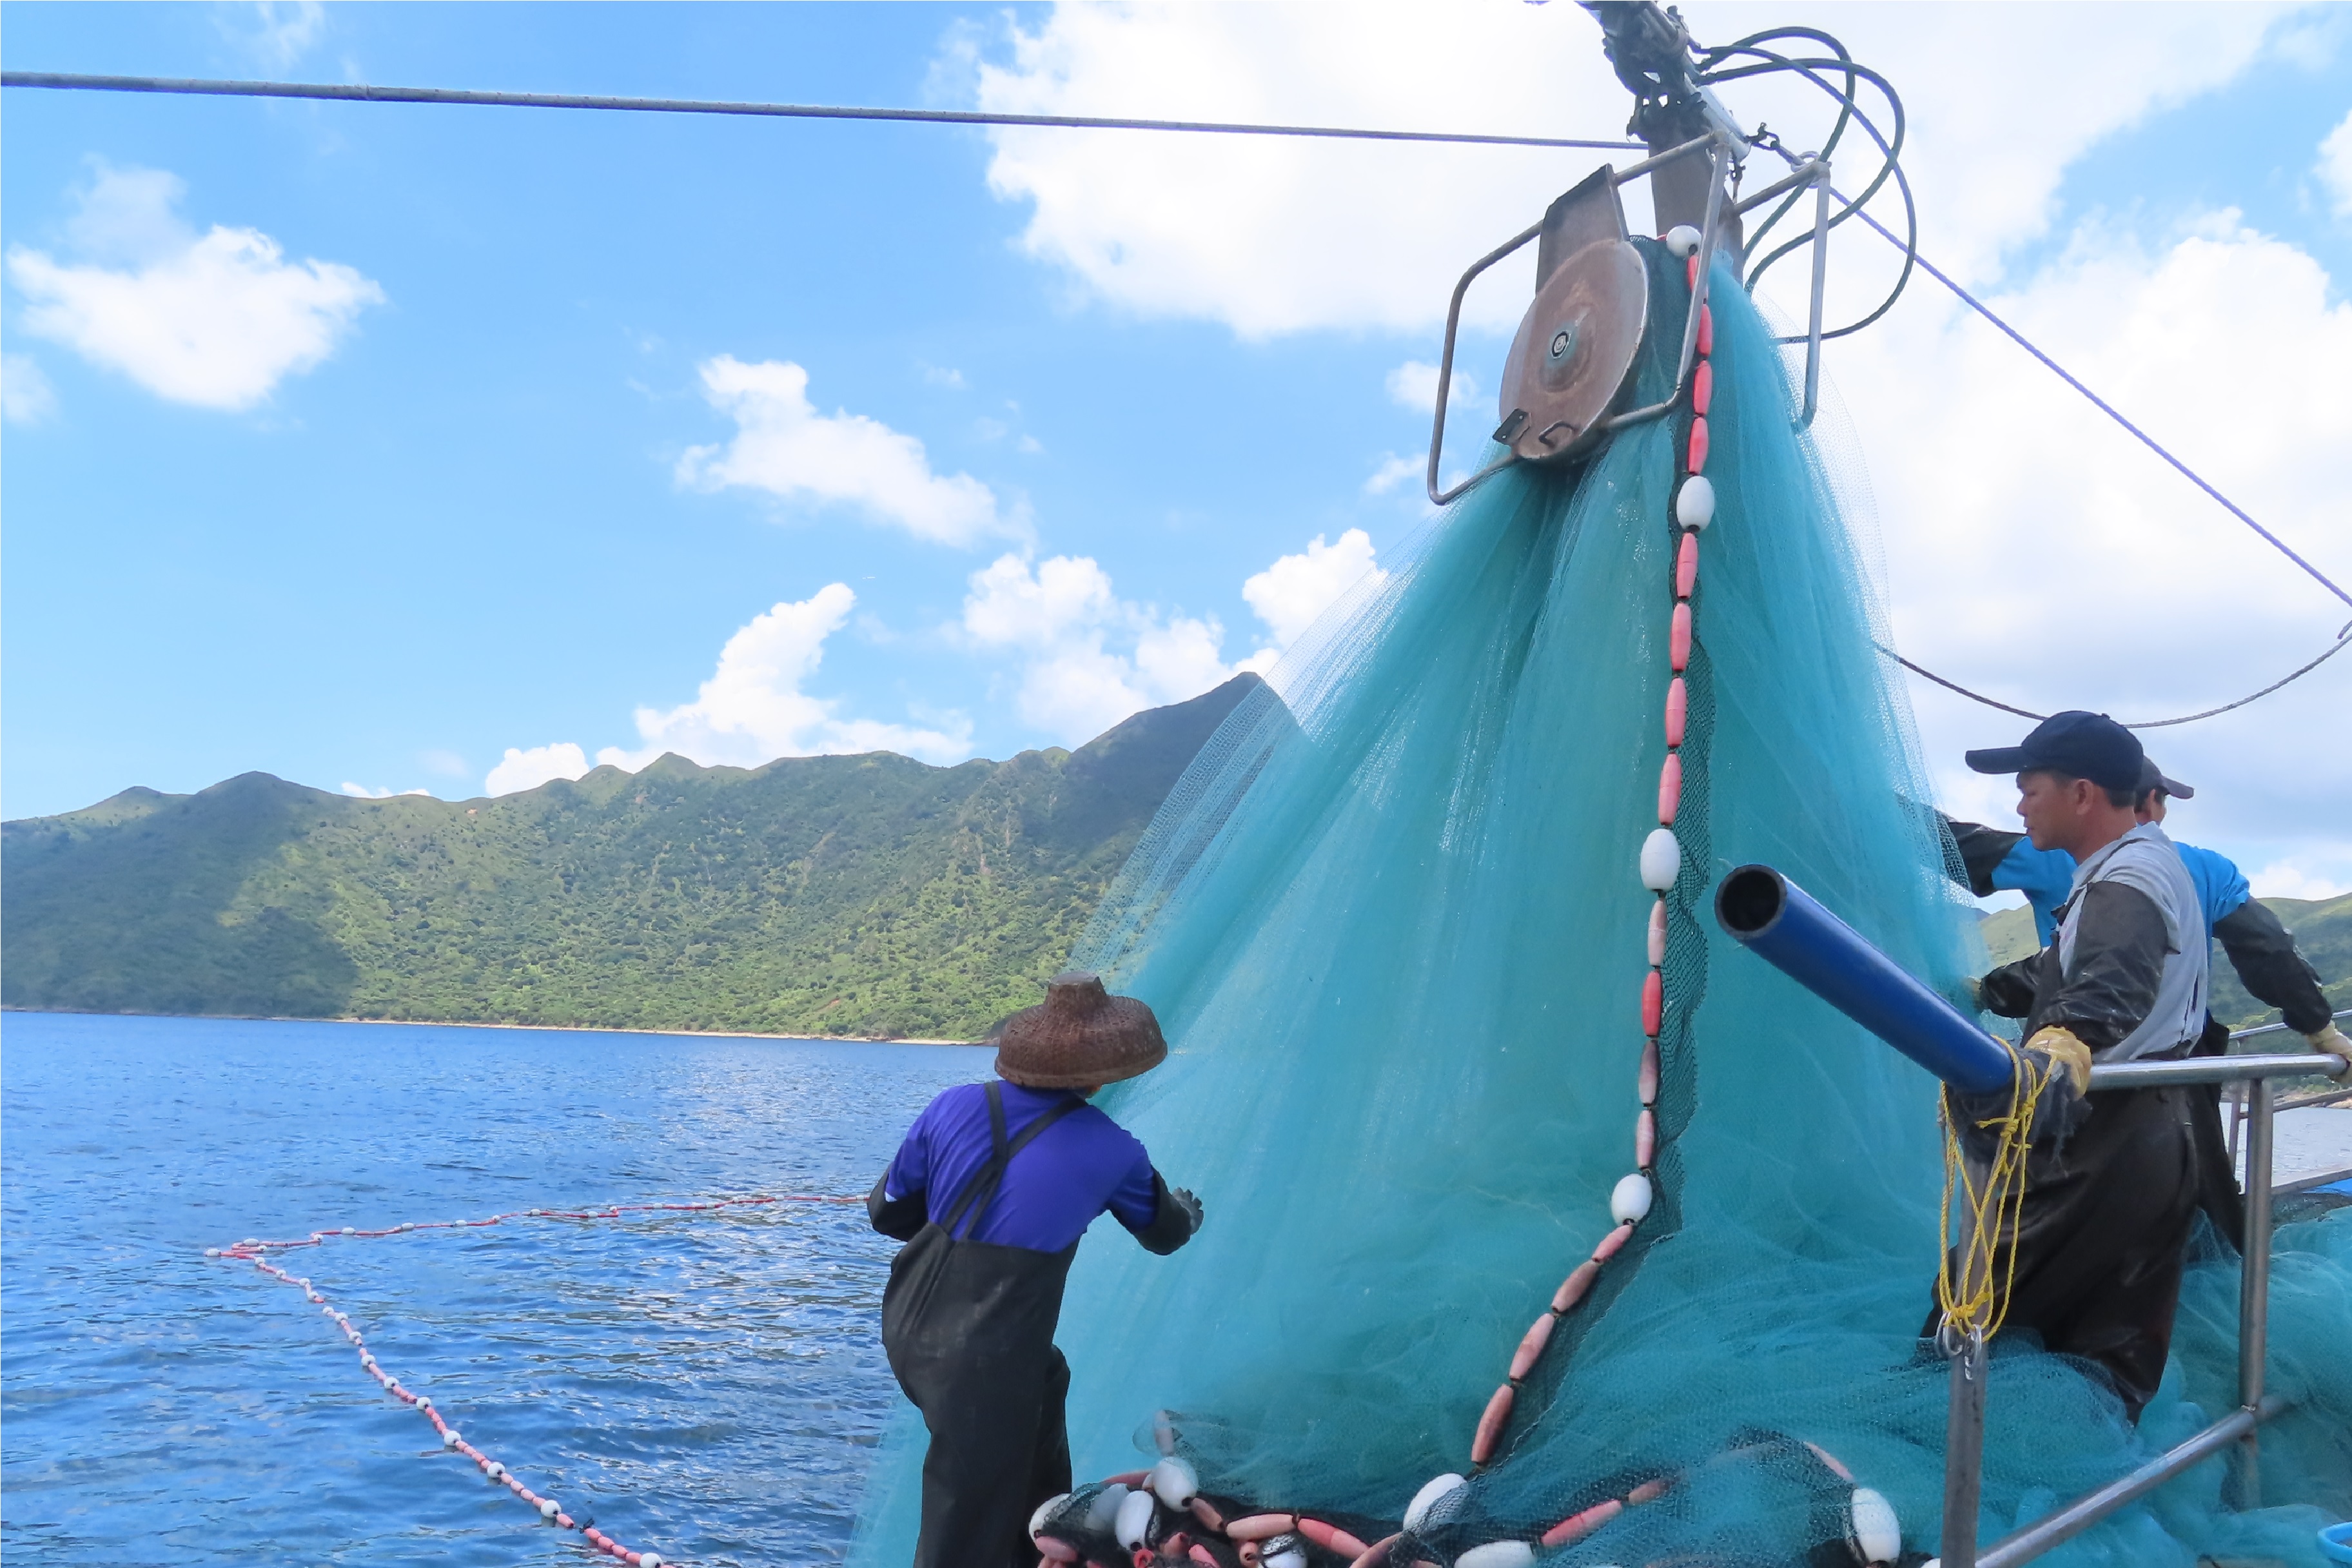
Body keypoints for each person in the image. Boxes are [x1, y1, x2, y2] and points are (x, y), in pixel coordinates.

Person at [868, 971, 1204, 1568]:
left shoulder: (951, 1106)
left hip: (913, 1326)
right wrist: (1187, 1210)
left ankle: (1050, 1541)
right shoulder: (1114, 1149)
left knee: (1046, 1383)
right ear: (1101, 1077)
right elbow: (1166, 1234)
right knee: (966, 1520)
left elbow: (887, 1214)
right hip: (987, 1354)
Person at [1934, 711, 2212, 1422]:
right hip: (2156, 1130)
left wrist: (2065, 1037)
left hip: (2099, 1145)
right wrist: (1990, 988)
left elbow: (2112, 979)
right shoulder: (2138, 866)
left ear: (2082, 792)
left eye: (2030, 788)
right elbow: (2075, 963)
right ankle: (2080, 1501)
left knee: (1971, 1333)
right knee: (2103, 1353)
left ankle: (1944, 1508)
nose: (2020, 804)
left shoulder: (2129, 880)